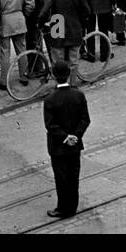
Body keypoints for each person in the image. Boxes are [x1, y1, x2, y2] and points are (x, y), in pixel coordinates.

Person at [43, 60, 90, 218]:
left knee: (61, 178)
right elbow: (85, 119)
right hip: (75, 145)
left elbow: (50, 125)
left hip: (58, 146)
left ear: (54, 76)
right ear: (69, 74)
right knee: (73, 176)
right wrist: (75, 135)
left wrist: (65, 137)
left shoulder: (50, 99)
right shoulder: (78, 95)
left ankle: (62, 208)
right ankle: (72, 207)